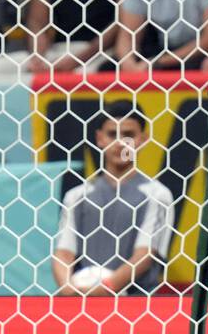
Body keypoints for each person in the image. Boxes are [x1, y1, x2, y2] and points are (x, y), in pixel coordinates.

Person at [53, 108, 173, 294]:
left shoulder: (157, 194)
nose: (120, 143)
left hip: (137, 306)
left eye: (128, 135)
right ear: (100, 139)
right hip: (84, 303)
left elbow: (145, 255)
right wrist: (69, 290)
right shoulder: (77, 195)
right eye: (112, 134)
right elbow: (64, 252)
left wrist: (106, 288)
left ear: (142, 139)